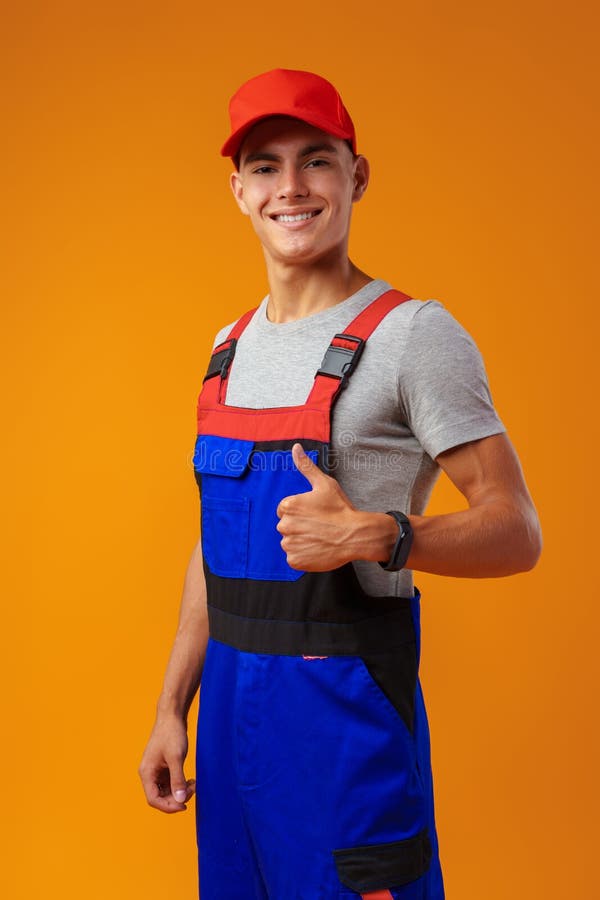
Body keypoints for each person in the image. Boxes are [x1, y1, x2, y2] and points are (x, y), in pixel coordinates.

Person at [138, 68, 542, 900]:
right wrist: (174, 705)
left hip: (345, 738)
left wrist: (379, 533)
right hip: (229, 738)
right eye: (265, 165)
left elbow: (517, 530)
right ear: (239, 192)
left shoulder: (413, 337)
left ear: (357, 176)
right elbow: (216, 547)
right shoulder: (228, 347)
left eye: (316, 160)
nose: (292, 187)